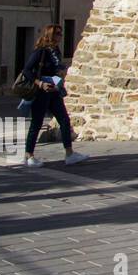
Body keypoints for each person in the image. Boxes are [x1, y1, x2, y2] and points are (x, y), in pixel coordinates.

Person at [22, 25, 88, 168]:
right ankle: (29, 155)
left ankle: (69, 153)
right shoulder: (41, 51)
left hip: (54, 90)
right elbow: (27, 70)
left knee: (64, 120)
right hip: (41, 91)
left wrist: (62, 71)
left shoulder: (56, 51)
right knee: (36, 123)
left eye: (61, 33)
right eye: (58, 34)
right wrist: (40, 83)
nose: (61, 36)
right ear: (51, 35)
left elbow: (55, 67)